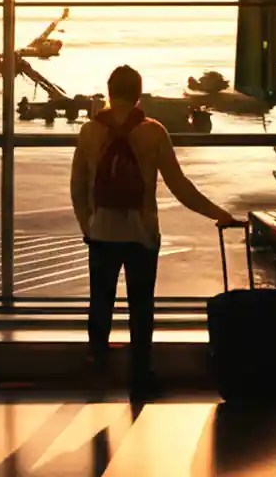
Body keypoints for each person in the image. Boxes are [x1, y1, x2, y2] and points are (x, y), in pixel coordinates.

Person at [70, 65, 239, 400]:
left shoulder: (89, 132)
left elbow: (76, 186)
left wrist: (87, 225)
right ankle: (140, 375)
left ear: (109, 90)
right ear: (138, 94)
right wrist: (218, 213)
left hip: (102, 232)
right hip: (142, 234)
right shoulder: (154, 132)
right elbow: (180, 187)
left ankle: (98, 366)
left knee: (100, 302)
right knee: (141, 306)